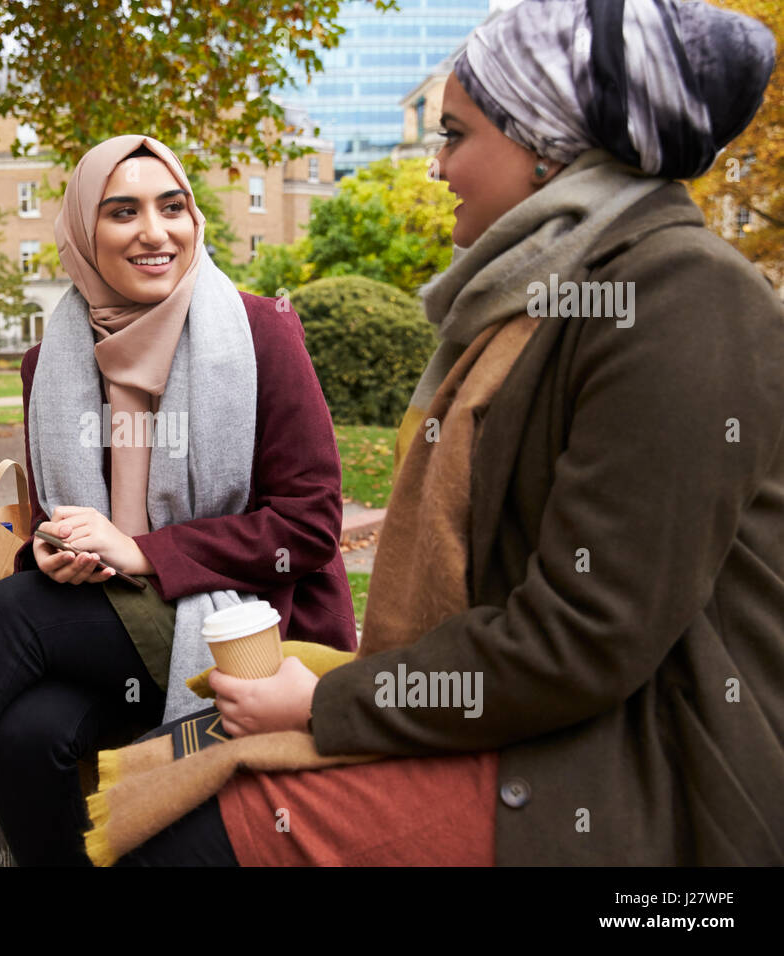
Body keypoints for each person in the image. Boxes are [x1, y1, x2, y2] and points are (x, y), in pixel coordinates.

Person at [105, 0, 784, 867]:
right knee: (168, 765)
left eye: (456, 134)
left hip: (640, 763)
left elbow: (582, 639)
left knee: (192, 828)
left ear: (546, 145)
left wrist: (329, 703)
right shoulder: (541, 297)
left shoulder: (681, 295)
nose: (435, 167)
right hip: (532, 711)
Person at [0, 134, 357, 866]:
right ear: (82, 233)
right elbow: (61, 518)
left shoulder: (260, 334)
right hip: (107, 628)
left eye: (173, 207)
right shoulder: (52, 360)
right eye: (122, 212)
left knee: (10, 611)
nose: (155, 232)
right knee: (23, 735)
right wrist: (49, 548)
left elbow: (309, 525)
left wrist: (144, 552)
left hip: (244, 625)